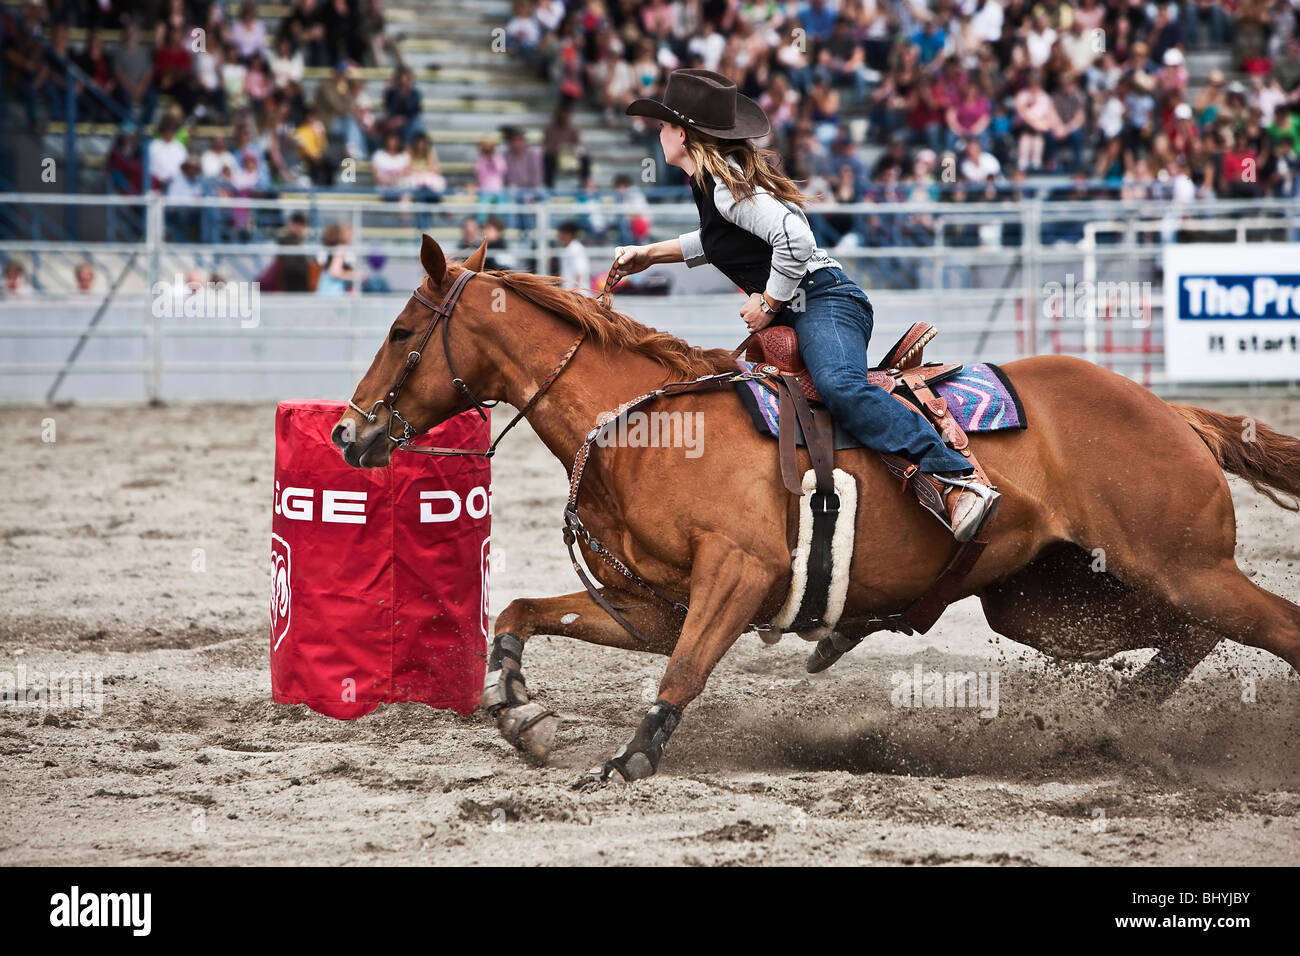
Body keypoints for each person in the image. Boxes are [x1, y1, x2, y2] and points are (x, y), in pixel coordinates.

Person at [613, 69, 999, 541]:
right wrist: (649, 254)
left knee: (839, 386)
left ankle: (954, 475)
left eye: (663, 124)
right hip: (810, 301)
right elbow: (718, 240)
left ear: (684, 133)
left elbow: (795, 237)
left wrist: (769, 303)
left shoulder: (723, 188)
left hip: (825, 299)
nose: (659, 132)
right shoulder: (716, 186)